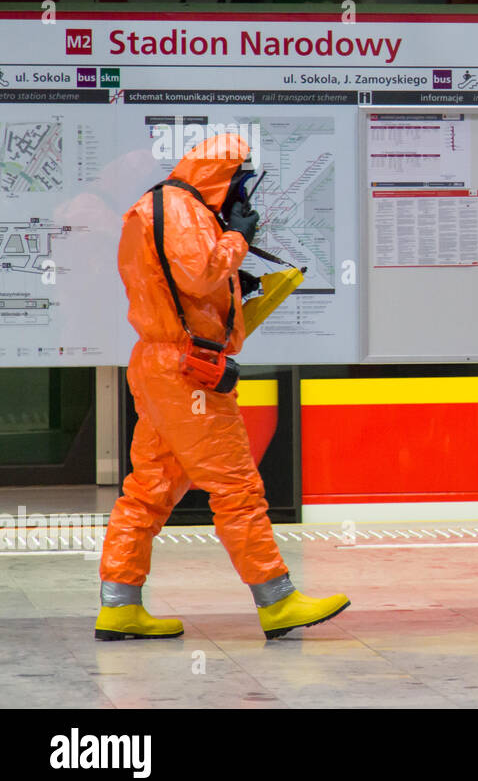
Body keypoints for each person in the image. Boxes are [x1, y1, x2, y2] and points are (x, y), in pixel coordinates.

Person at [97, 132, 349, 641]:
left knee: (148, 490)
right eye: (240, 183)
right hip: (186, 372)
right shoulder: (183, 209)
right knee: (236, 487)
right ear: (223, 177)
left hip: (160, 364)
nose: (244, 197)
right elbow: (199, 272)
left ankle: (119, 605)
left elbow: (182, 286)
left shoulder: (158, 207)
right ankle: (277, 602)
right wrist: (236, 238)